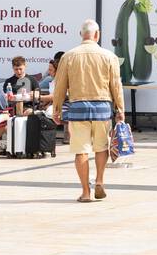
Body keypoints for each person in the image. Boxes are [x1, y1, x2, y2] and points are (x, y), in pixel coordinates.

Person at [51, 19, 124, 203]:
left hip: (78, 109)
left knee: (81, 151)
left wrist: (57, 109)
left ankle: (85, 191)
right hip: (102, 108)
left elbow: (60, 86)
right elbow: (116, 85)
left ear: (81, 35)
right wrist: (120, 109)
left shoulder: (69, 56)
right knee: (101, 147)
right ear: (97, 35)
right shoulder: (109, 56)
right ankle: (99, 180)